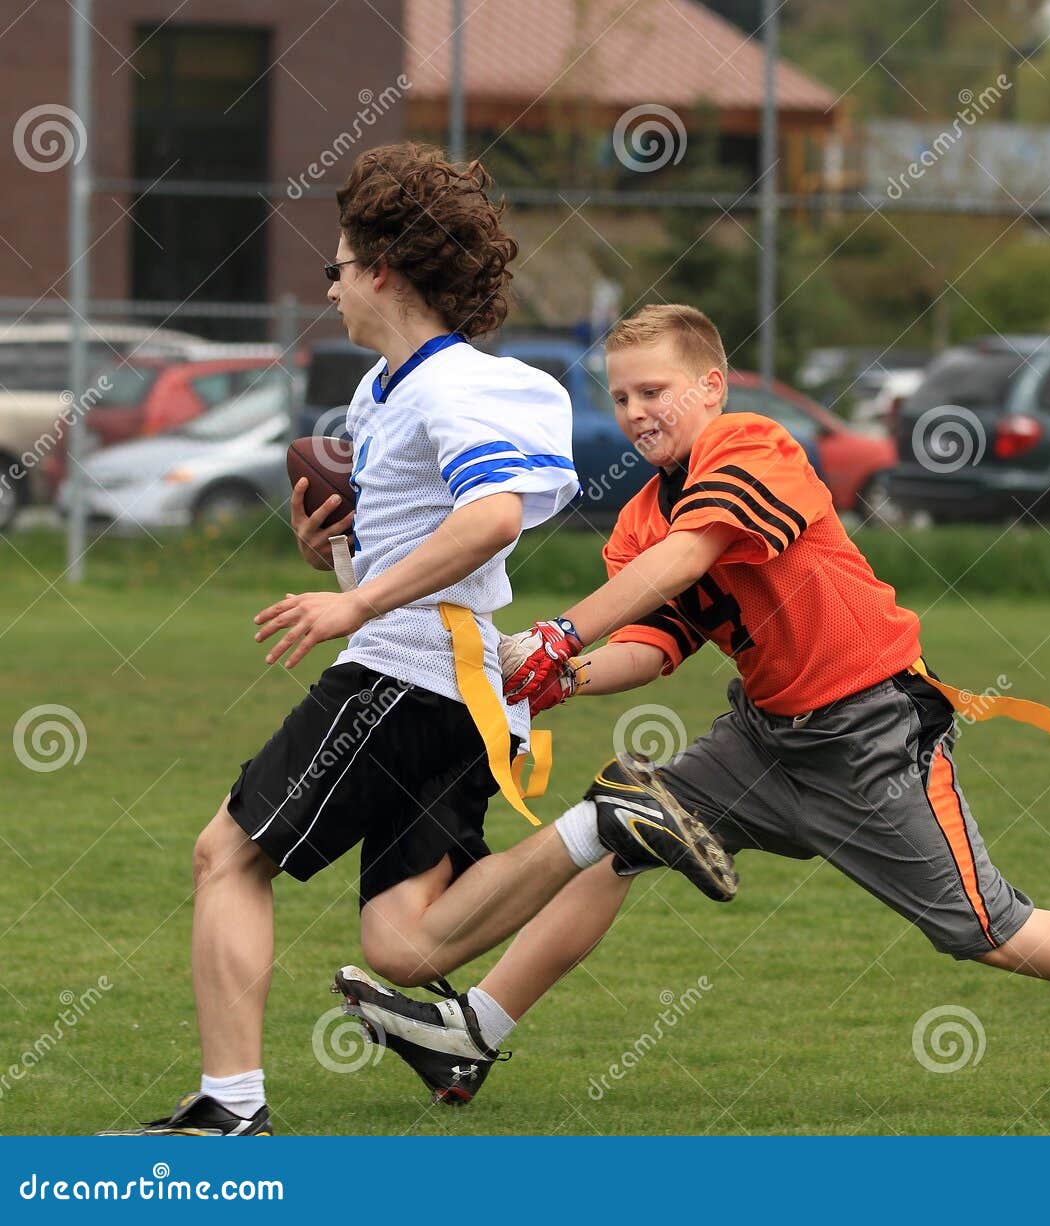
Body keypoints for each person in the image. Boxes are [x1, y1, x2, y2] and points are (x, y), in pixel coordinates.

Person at [336, 303, 1050, 1126]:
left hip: (869, 733)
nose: (636, 413)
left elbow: (692, 556)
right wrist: (568, 674)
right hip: (764, 734)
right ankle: (476, 1032)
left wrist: (555, 632)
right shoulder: (637, 516)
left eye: (655, 391)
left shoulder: (753, 444)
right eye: (621, 398)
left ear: (712, 386)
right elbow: (661, 641)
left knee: (987, 931)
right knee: (627, 835)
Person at [100, 150, 734, 1137]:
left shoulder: (456, 387)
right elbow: (419, 532)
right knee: (402, 943)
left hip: (406, 674)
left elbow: (488, 520)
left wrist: (355, 609)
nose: (332, 286)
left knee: (227, 854)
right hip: (459, 682)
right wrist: (337, 553)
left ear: (384, 270)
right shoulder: (383, 390)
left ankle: (229, 1107)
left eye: (339, 266)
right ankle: (604, 825)